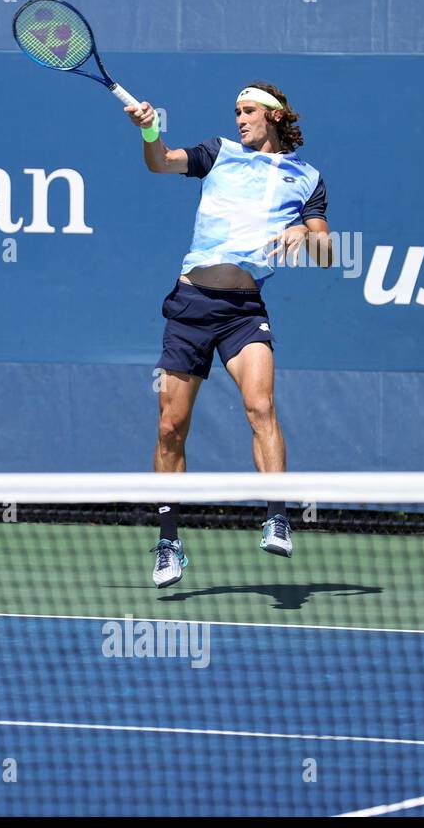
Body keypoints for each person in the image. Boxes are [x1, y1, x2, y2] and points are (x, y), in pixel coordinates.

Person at [125, 84, 333, 588]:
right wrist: (150, 130)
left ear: (276, 116)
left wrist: (305, 234)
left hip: (244, 310)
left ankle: (277, 516)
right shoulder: (219, 153)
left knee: (261, 407)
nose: (240, 119)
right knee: (170, 427)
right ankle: (169, 542)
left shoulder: (307, 178)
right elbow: (161, 163)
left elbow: (327, 253)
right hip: (192, 306)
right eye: (236, 111)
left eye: (249, 111)